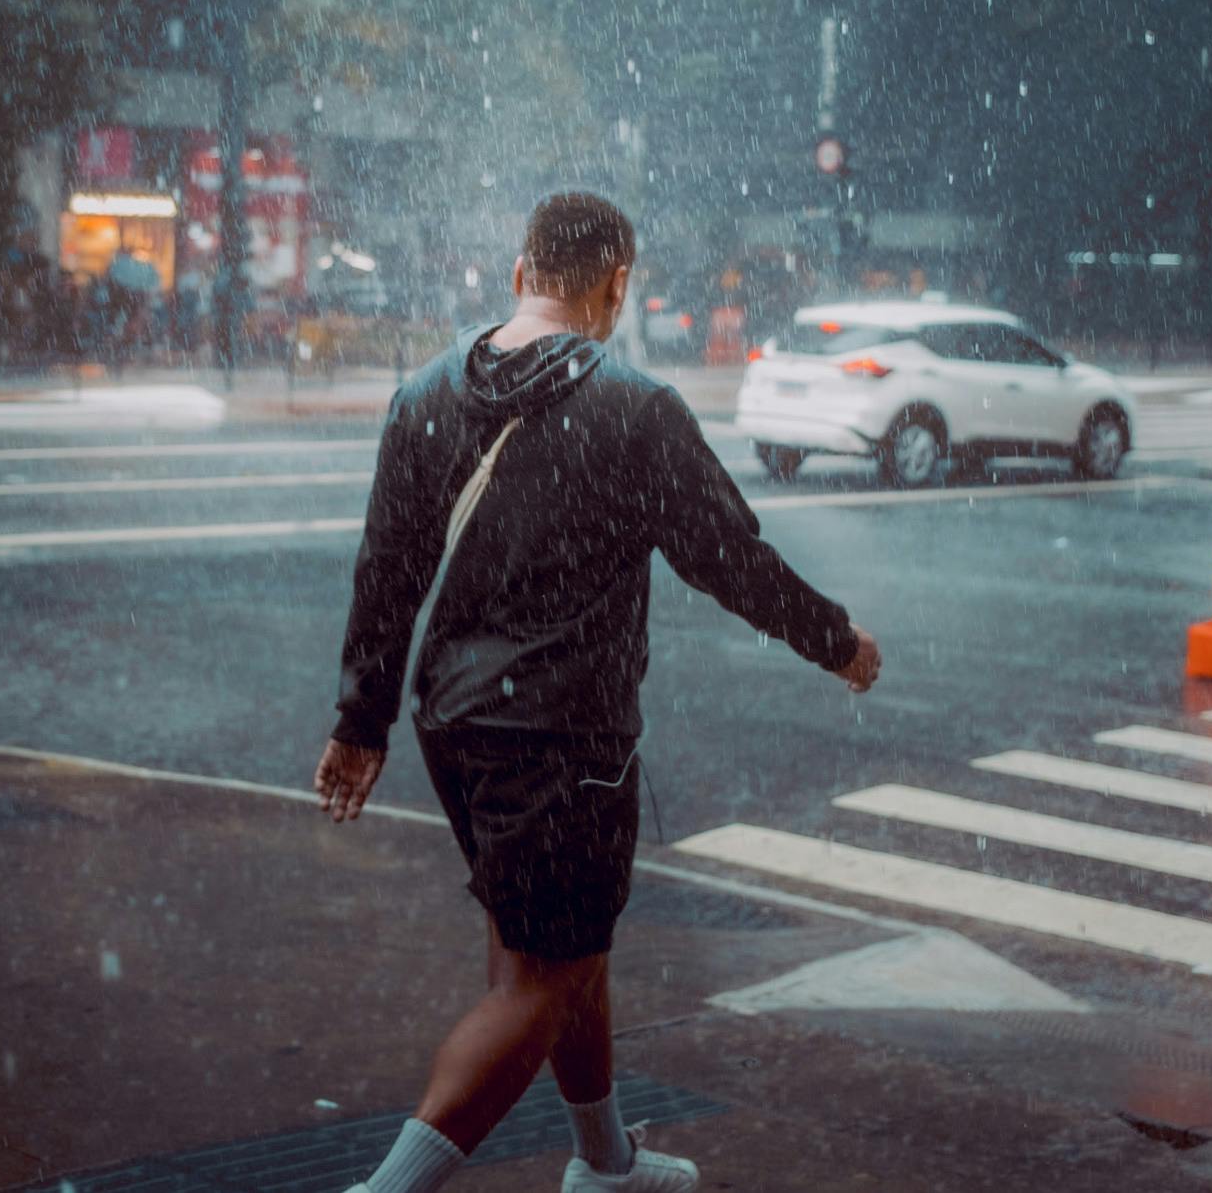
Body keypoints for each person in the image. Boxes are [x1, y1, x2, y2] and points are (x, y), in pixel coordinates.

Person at [314, 192, 881, 1193]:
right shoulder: (633, 411)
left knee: (558, 951)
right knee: (539, 979)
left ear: (522, 264)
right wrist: (833, 641)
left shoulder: (424, 394)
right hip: (561, 738)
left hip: (457, 725)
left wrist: (362, 723)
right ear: (615, 281)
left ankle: (605, 1163)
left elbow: (384, 574)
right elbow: (728, 559)